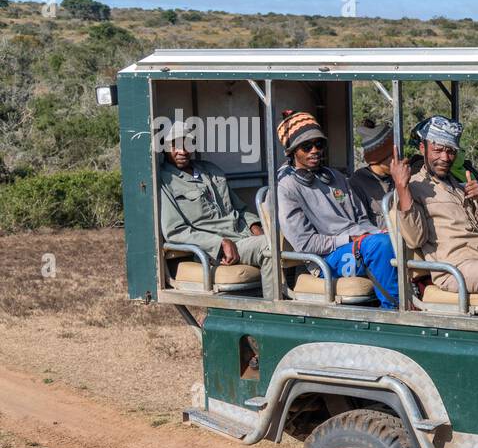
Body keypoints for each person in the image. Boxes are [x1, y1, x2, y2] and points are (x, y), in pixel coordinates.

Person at [397, 116, 478, 316]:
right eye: (437, 150)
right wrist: (401, 187)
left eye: (450, 151)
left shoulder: (458, 186)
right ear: (423, 149)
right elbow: (414, 239)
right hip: (452, 270)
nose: (445, 158)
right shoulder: (414, 187)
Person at [274, 110, 401, 309]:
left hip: (358, 242)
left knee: (397, 237)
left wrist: (376, 232)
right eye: (306, 146)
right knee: (380, 246)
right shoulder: (287, 186)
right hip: (325, 260)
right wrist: (351, 239)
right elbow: (305, 243)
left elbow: (361, 218)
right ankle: (394, 312)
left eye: (319, 144)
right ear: (292, 151)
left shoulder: (335, 176)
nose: (314, 150)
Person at [157, 121, 276, 298]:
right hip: (216, 248)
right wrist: (219, 242)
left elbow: (240, 208)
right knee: (270, 246)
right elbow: (176, 232)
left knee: (285, 237)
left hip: (243, 235)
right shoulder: (164, 181)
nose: (182, 151)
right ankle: (275, 311)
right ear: (165, 147)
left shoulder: (211, 170)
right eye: (175, 145)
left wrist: (255, 226)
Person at [348, 118, 396, 226]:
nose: (398, 159)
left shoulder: (397, 177)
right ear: (380, 158)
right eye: (393, 155)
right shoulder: (358, 182)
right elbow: (360, 221)